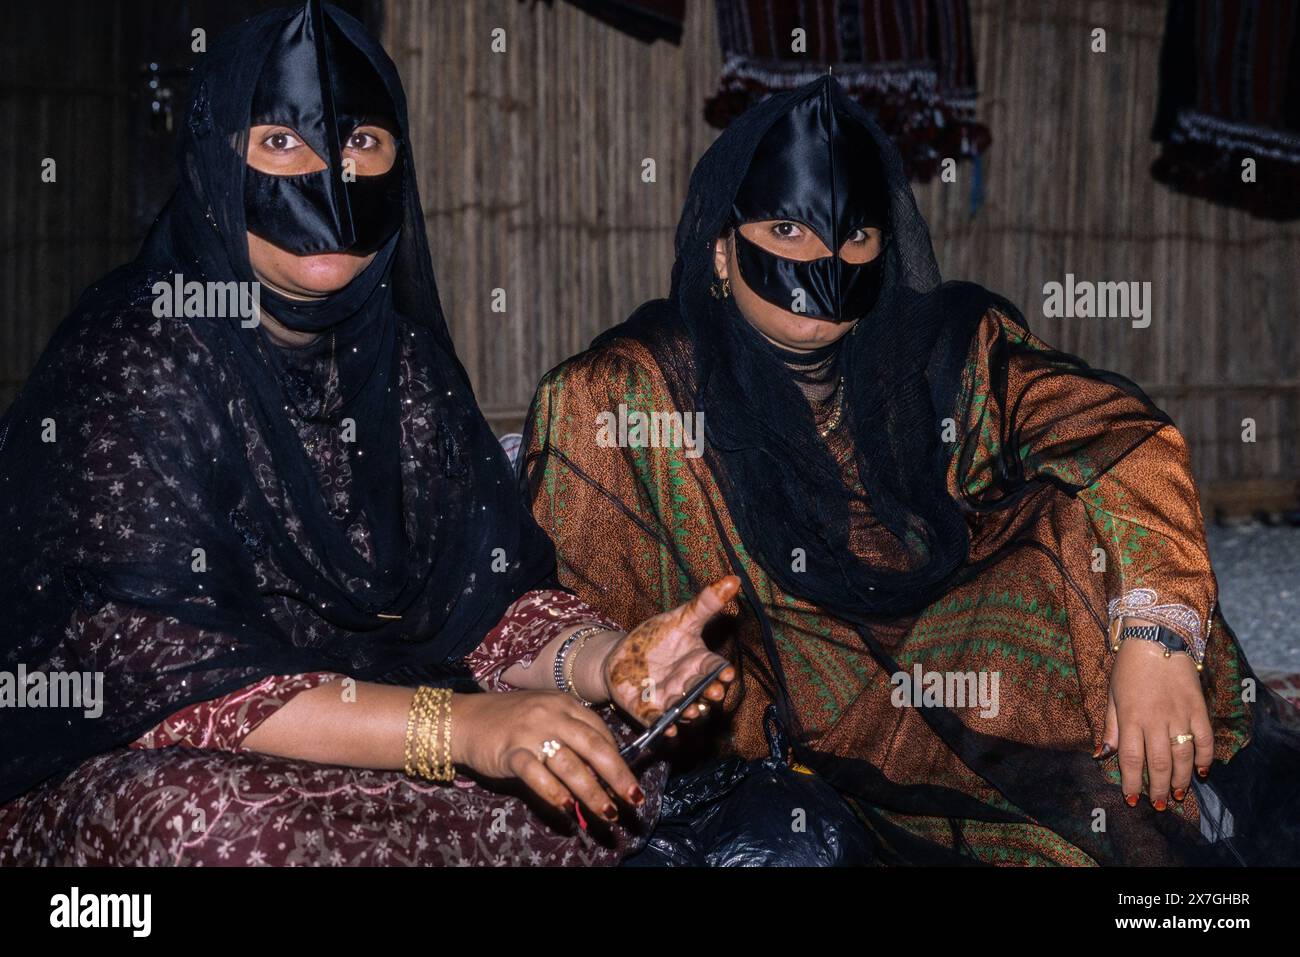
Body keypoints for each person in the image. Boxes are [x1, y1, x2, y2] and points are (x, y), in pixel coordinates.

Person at [0, 0, 733, 867]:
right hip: (153, 761)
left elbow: (489, 612)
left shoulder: (405, 363)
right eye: (280, 142)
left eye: (359, 145)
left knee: (601, 761)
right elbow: (162, 682)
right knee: (207, 830)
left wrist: (607, 662)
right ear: (211, 163)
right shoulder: (135, 353)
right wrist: (462, 730)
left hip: (380, 743)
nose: (328, 177)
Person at [523, 75, 1300, 865]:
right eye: (787, 229)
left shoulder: (939, 348)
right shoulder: (625, 397)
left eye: (853, 237)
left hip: (953, 658)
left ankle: (1156, 780)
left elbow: (1117, 434)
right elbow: (567, 613)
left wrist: (1158, 633)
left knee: (1073, 528)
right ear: (722, 250)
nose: (825, 263)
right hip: (786, 700)